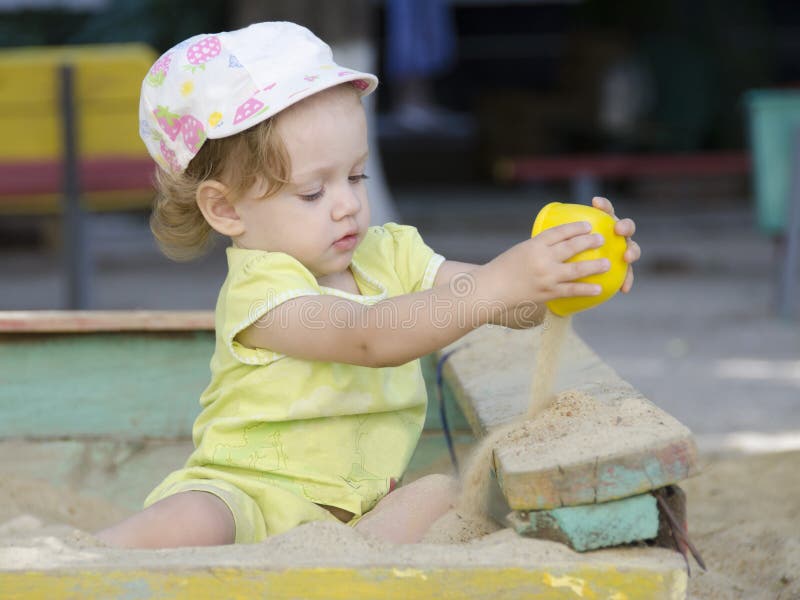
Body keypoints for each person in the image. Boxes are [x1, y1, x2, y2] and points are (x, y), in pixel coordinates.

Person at [96, 21, 640, 549]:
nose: (348, 204)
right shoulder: (261, 294)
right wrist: (502, 282)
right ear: (225, 208)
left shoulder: (390, 252)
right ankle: (81, 558)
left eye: (356, 176)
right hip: (247, 502)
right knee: (196, 516)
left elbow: (499, 305)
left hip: (354, 524)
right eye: (312, 192)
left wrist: (562, 275)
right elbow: (368, 337)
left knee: (445, 493)